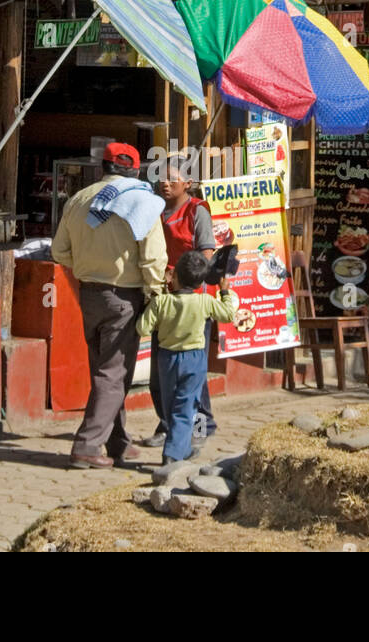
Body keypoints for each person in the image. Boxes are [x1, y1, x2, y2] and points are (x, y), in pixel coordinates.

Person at [52, 142, 167, 470]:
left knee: (105, 371)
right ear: (135, 169)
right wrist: (156, 294)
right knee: (114, 374)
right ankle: (87, 446)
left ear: (103, 167)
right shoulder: (143, 201)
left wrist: (88, 265)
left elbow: (59, 252)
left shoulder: (79, 200)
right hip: (124, 297)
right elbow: (154, 258)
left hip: (89, 294)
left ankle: (118, 442)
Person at [136, 251, 237, 465]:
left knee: (173, 406)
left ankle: (186, 446)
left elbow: (142, 327)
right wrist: (225, 291)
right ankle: (173, 454)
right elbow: (228, 314)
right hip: (194, 359)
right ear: (201, 282)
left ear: (174, 276)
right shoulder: (204, 301)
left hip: (167, 360)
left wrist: (159, 294)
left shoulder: (161, 302)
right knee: (188, 406)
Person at [142, 164, 218, 449]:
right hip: (163, 300)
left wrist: (180, 277)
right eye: (161, 177)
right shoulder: (155, 211)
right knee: (162, 371)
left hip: (191, 301)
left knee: (192, 370)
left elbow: (205, 257)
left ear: (188, 183)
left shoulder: (197, 211)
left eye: (172, 178)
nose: (165, 182)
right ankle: (169, 423)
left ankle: (197, 428)